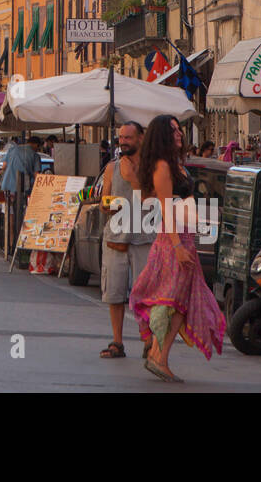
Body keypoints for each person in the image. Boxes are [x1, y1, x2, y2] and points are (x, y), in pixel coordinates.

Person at [129, 114, 225, 382]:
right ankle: (158, 355)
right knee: (173, 301)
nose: (179, 133)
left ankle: (157, 351)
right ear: (162, 136)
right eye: (172, 130)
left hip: (185, 239)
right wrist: (177, 246)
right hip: (174, 241)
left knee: (179, 302)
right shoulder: (162, 167)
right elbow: (166, 210)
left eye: (178, 129)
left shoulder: (175, 164)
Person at [96, 121, 155, 359]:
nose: (123, 142)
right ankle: (117, 342)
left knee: (146, 293)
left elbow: (154, 200)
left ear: (141, 138)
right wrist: (109, 205)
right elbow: (104, 202)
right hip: (116, 237)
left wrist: (133, 179)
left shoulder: (152, 167)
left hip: (144, 237)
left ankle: (149, 340)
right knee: (115, 291)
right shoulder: (111, 167)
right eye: (121, 137)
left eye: (128, 137)